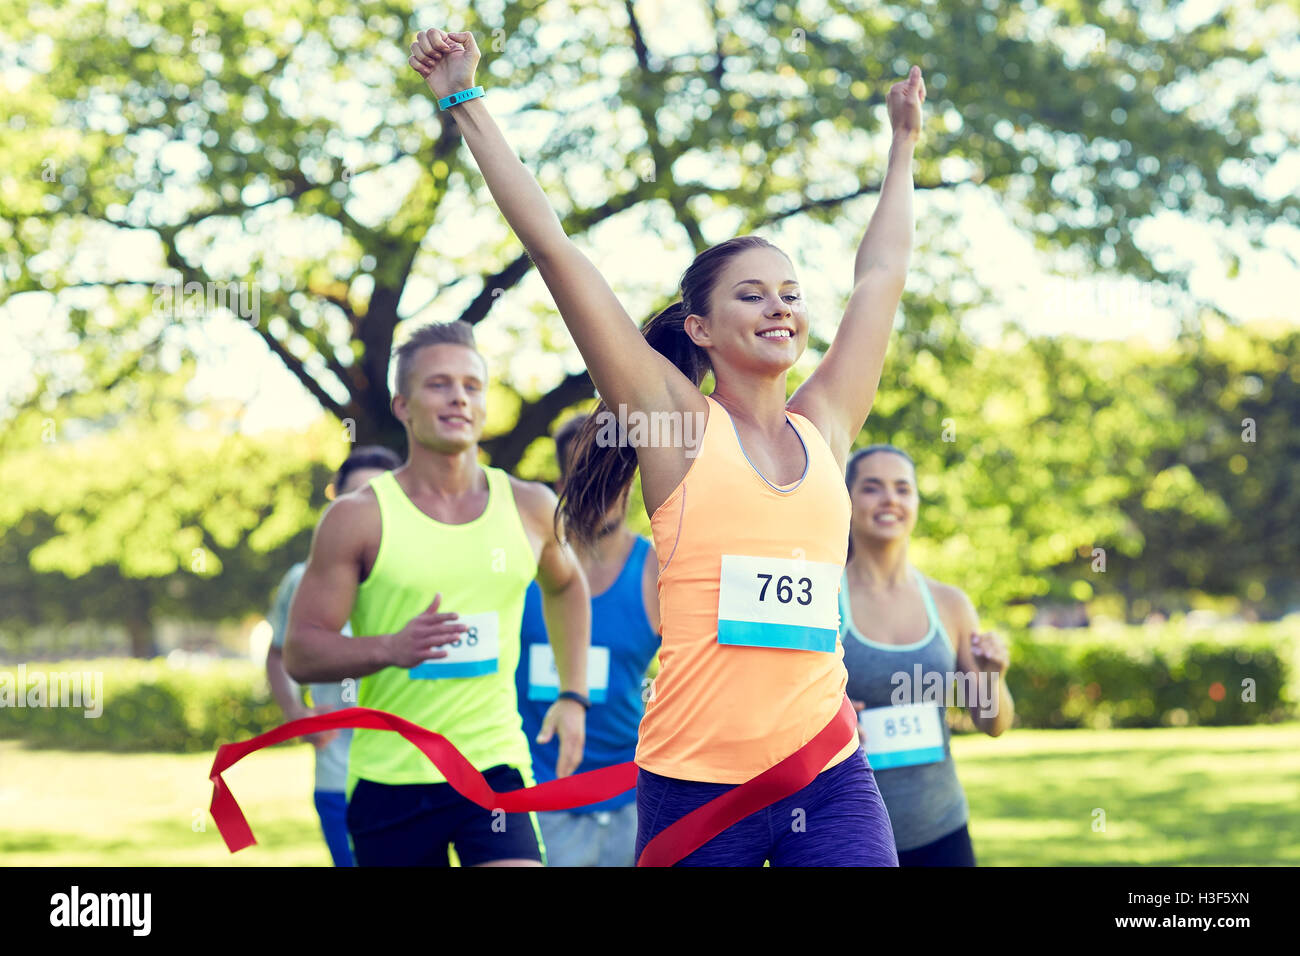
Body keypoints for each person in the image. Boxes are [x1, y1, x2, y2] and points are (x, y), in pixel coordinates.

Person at [408, 28, 924, 865]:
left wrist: (902, 146)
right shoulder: (674, 424)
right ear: (700, 329)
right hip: (695, 784)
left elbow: (881, 277)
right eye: (751, 295)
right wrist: (464, 99)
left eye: (791, 294)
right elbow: (554, 249)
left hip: (826, 772)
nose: (779, 307)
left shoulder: (827, 425)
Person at [284, 320, 591, 867]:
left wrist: (573, 695)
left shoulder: (530, 507)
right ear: (402, 406)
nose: (459, 398)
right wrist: (389, 648)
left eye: (472, 386)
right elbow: (302, 652)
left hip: (492, 767)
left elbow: (567, 587)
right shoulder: (357, 518)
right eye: (439, 384)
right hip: (391, 777)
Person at [840, 444, 1014, 866]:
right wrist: (831, 720)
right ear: (847, 499)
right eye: (872, 488)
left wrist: (993, 677)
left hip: (942, 830)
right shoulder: (823, 595)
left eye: (903, 489)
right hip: (850, 834)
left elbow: (993, 724)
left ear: (916, 501)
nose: (890, 500)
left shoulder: (950, 603)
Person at [514, 415, 661, 866]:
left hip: (630, 793)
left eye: (613, 470)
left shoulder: (658, 569)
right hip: (536, 792)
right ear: (561, 485)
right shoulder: (522, 562)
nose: (602, 486)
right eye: (586, 472)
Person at [266, 445, 402, 867]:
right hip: (338, 775)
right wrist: (295, 713)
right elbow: (278, 655)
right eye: (354, 497)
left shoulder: (421, 580)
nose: (365, 510)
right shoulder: (302, 581)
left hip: (416, 774)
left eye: (378, 497)